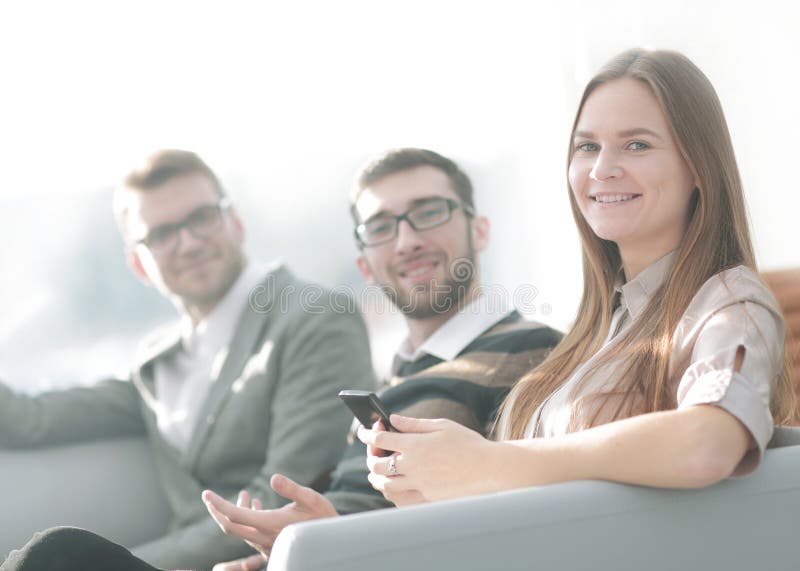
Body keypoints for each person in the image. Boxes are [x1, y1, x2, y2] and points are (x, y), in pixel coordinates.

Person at [356, 49, 799, 506]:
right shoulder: (596, 331)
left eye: (637, 144)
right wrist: (434, 485)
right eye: (587, 146)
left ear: (699, 168)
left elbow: (708, 444)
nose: (601, 169)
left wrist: (489, 463)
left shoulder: (729, 301)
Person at [183, 148, 562, 569]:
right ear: (365, 267)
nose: (407, 241)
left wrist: (337, 543)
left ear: (481, 230)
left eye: (430, 212)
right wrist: (294, 548)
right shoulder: (392, 381)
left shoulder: (540, 353)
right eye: (381, 227)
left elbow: (517, 531)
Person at [0, 150, 375, 570]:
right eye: (161, 234)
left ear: (234, 222)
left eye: (201, 218)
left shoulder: (315, 317)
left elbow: (282, 500)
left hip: (262, 562)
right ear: (139, 264)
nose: (189, 242)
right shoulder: (156, 362)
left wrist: (117, 562)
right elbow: (30, 419)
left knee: (52, 554)